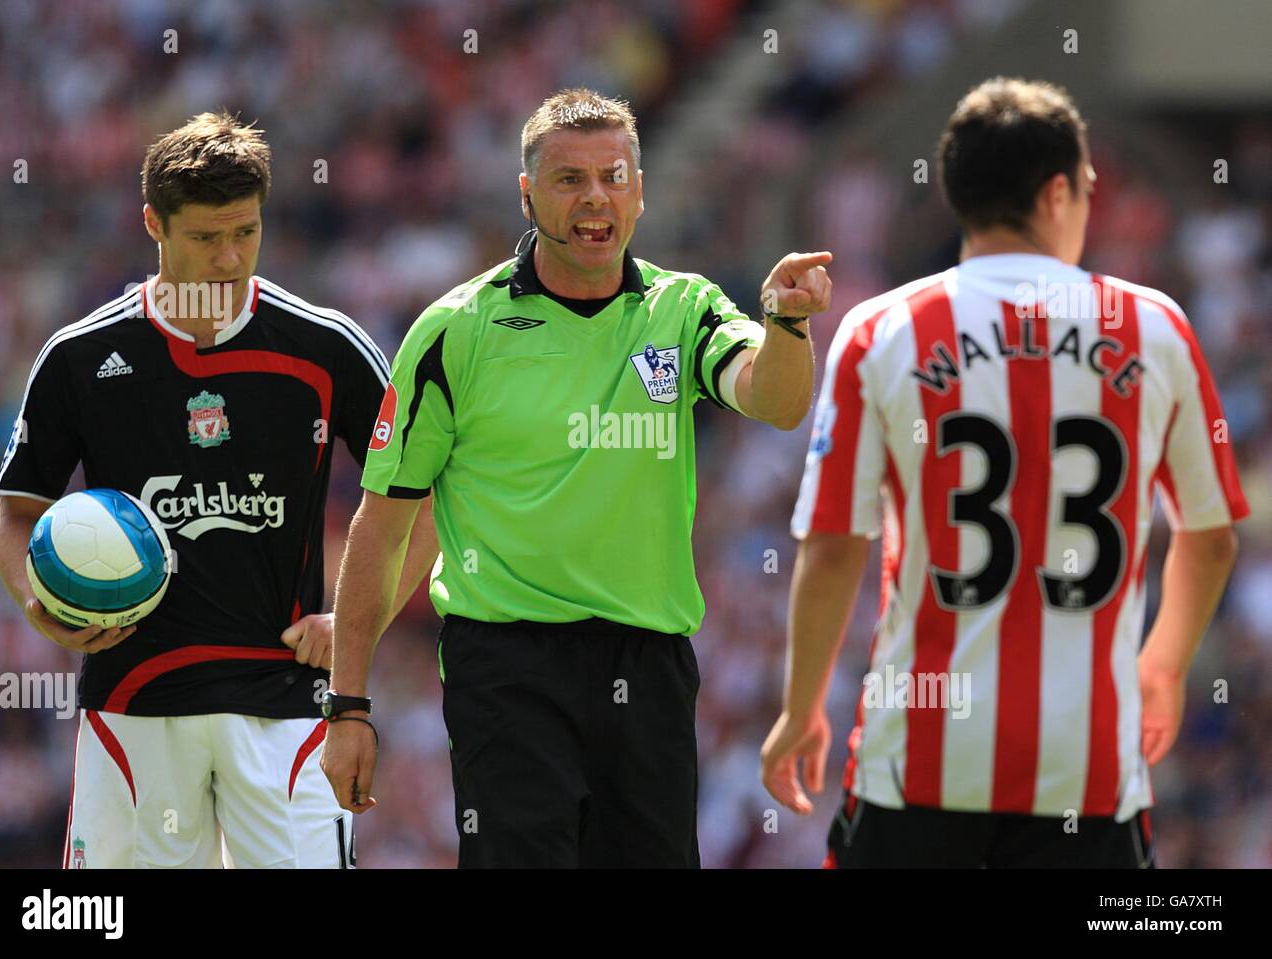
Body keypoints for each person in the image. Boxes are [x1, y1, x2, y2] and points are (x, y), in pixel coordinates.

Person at [322, 88, 832, 868]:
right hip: (506, 665)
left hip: (650, 666)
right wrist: (349, 704)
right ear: (526, 194)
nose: (595, 197)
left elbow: (777, 399)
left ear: (639, 190)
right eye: (569, 180)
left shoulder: (684, 309)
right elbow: (384, 525)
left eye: (614, 176)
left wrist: (788, 323)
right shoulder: (454, 332)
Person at [761, 77, 1247, 868]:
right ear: (1059, 192)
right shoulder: (1156, 327)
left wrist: (802, 705)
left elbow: (833, 542)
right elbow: (1211, 534)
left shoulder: (880, 329)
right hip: (1086, 766)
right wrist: (1163, 665)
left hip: (916, 757)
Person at [0, 111, 437, 868]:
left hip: (286, 710)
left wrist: (357, 623)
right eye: (205, 237)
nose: (230, 258)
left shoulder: (325, 347)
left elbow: (424, 501)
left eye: (247, 232)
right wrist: (41, 608)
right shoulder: (81, 356)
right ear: (152, 225)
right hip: (132, 704)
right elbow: (17, 517)